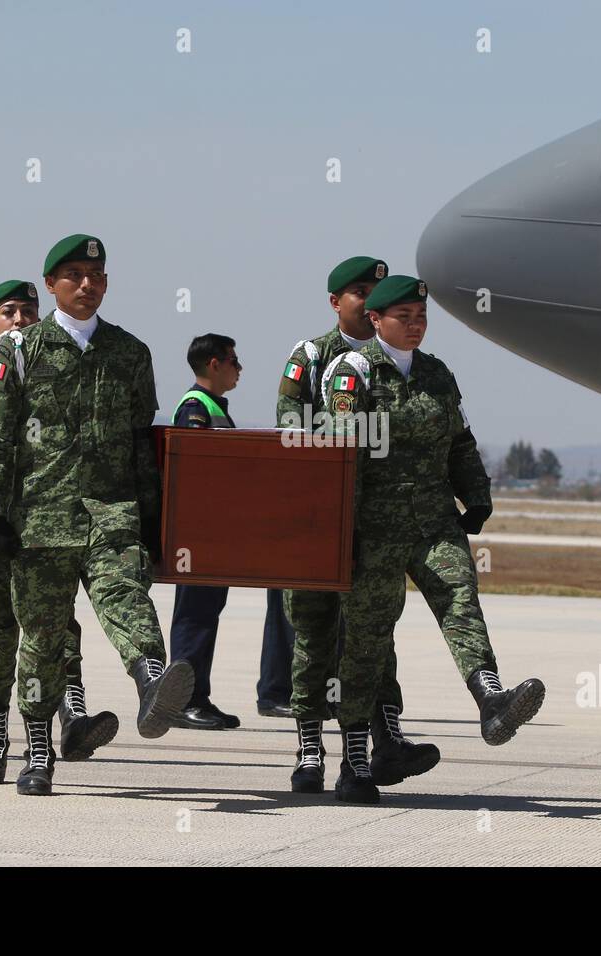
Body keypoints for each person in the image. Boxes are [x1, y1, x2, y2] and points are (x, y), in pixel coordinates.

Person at [0, 235, 195, 796]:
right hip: (39, 521)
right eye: (72, 275)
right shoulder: (20, 349)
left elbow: (141, 443)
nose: (86, 284)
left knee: (126, 596)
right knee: (43, 639)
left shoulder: (130, 353)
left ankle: (151, 683)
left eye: (95, 275)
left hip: (110, 512)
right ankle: (40, 751)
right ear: (51, 285)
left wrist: (152, 517)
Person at [323, 275, 545, 803]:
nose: (415, 326)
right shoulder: (351, 374)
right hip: (372, 527)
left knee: (461, 603)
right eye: (404, 317)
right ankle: (356, 762)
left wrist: (478, 495)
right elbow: (341, 458)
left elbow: (460, 440)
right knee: (367, 643)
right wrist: (340, 533)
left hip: (433, 519)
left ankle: (492, 703)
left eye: (421, 317)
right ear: (376, 320)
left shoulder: (438, 374)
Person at [0, 279, 119, 783]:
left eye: (27, 311)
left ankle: (41, 746)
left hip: (46, 522)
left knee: (48, 635)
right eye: (8, 313)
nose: (20, 320)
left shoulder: (49, 373)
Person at [277, 256, 438, 795]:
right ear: (336, 302)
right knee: (313, 639)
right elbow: (291, 429)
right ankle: (307, 752)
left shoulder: (399, 362)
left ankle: (379, 743)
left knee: (375, 640)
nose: (369, 302)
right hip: (319, 523)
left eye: (376, 294)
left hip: (378, 530)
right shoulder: (313, 356)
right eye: (359, 292)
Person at [167, 334, 244, 730]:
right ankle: (183, 702)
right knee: (195, 616)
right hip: (200, 533)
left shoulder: (213, 407)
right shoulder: (196, 408)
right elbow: (195, 471)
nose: (239, 368)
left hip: (213, 532)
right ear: (214, 364)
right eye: (233, 360)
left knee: (205, 613)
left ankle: (198, 695)